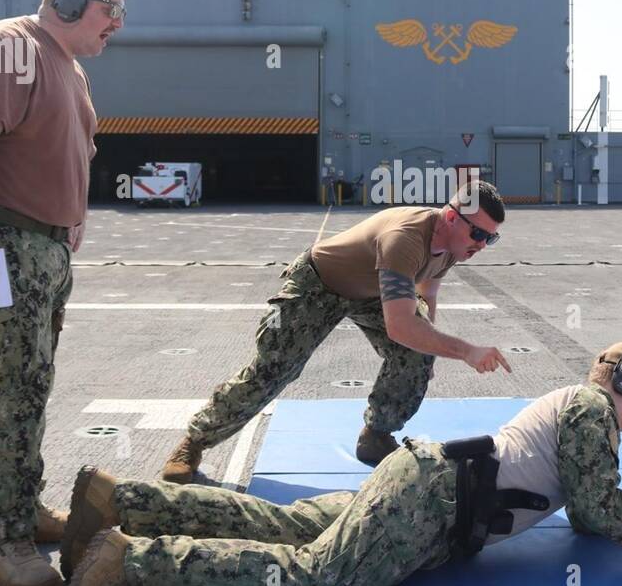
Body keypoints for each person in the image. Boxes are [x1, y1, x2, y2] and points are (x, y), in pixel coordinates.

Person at [65, 341, 622, 586]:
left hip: (424, 481)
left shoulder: (575, 404)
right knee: (312, 577)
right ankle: (132, 562)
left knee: (287, 524)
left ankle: (120, 500)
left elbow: (593, 498)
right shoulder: (594, 412)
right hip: (429, 506)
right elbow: (597, 514)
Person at [0, 0, 128, 586]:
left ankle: (22, 510)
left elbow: (68, 153)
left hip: (40, 252)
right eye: (109, 11)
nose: (116, 27)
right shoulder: (7, 47)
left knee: (30, 384)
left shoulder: (68, 69)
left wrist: (70, 223)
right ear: (69, 2)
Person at [159, 180, 513, 480]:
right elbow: (401, 326)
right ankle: (194, 441)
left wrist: (430, 348)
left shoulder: (452, 246)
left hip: (370, 290)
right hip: (319, 283)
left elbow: (427, 293)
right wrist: (465, 350)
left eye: (490, 239)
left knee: (418, 352)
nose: (481, 245)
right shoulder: (406, 238)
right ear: (451, 217)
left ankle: (376, 435)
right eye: (478, 233)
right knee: (273, 370)